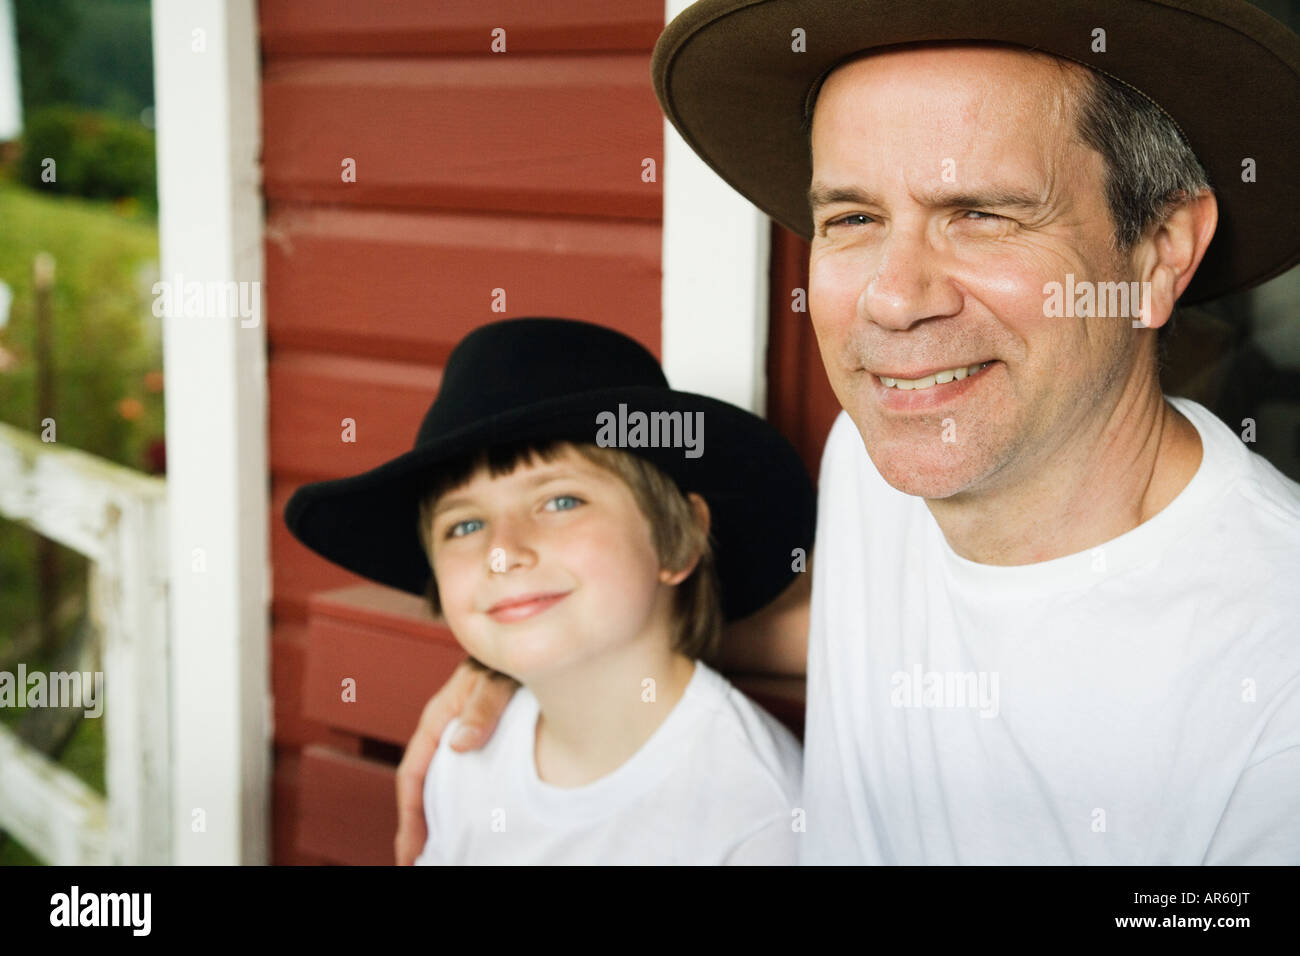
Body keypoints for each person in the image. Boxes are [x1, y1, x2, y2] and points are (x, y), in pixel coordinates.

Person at [395, 0, 1300, 865]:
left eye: (981, 214)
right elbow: (917, 632)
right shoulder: (882, 464)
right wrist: (540, 665)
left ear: (1158, 252)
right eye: (854, 219)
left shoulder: (1273, 660)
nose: (896, 299)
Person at [285, 316, 813, 864]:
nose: (503, 551)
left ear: (678, 539)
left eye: (560, 502)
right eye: (464, 526)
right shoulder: (468, 752)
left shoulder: (756, 811)